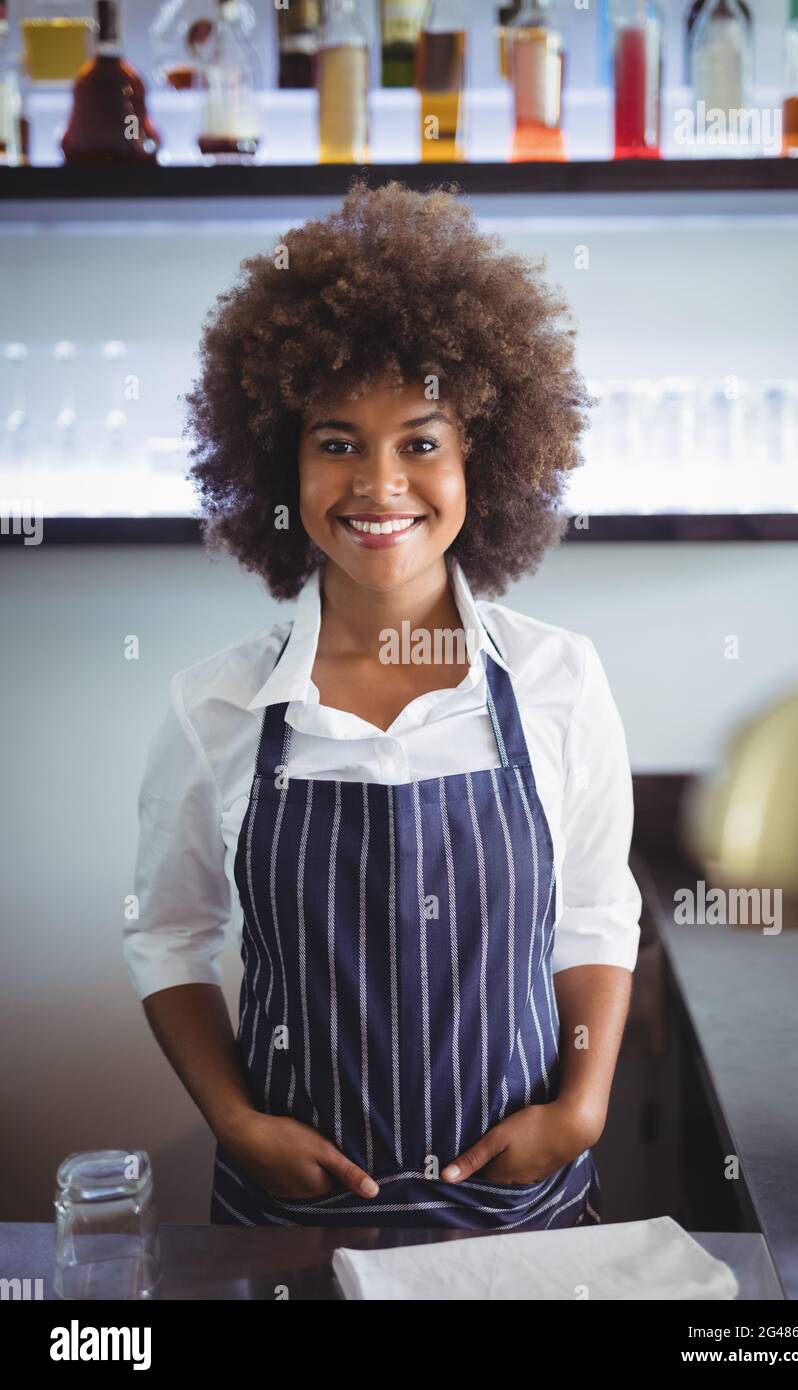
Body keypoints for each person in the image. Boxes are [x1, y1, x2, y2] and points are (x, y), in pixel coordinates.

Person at [124, 181, 642, 1231]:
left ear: (478, 461)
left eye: (419, 440)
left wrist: (580, 1110)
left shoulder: (559, 681)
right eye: (334, 441)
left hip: (520, 1220)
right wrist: (235, 1120)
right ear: (278, 457)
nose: (378, 483)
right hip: (294, 1222)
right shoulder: (214, 704)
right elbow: (168, 935)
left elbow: (592, 911)